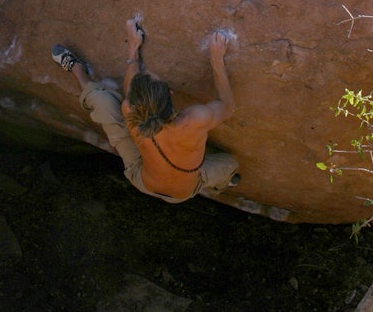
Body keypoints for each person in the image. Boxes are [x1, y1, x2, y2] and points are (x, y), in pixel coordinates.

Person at [51, 16, 239, 203]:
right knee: (231, 164)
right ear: (170, 94)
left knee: (101, 101)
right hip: (180, 192)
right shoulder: (194, 121)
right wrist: (216, 59)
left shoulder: (131, 111)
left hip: (141, 176)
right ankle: (221, 185)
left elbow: (129, 89)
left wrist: (133, 48)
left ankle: (78, 71)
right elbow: (228, 106)